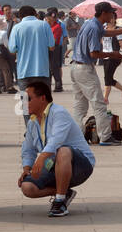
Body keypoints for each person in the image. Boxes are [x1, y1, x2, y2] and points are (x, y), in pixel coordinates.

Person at [18, 80, 96, 217]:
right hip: (53, 166)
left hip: (80, 166)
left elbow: (55, 141)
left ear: (42, 98)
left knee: (63, 150)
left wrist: (41, 158)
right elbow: (28, 149)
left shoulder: (59, 113)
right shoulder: (32, 122)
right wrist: (26, 169)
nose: (25, 103)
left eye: (28, 99)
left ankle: (60, 202)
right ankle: (64, 192)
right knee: (27, 188)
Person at [69, 1, 122, 146]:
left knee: (79, 106)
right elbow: (94, 53)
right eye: (111, 12)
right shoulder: (93, 27)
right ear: (104, 13)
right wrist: (112, 54)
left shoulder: (90, 23)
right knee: (99, 103)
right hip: (85, 69)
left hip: (75, 67)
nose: (113, 15)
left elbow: (105, 32)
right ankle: (105, 136)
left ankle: (76, 136)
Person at [8, 5, 56, 93]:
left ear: (20, 16)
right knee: (44, 102)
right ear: (35, 14)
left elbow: (12, 50)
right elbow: (52, 47)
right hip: (42, 70)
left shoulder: (16, 28)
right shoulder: (44, 25)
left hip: (24, 71)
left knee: (26, 103)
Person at [45, 9, 66, 92]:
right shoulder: (48, 27)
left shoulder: (57, 27)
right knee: (49, 67)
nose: (47, 20)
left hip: (54, 48)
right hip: (49, 48)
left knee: (54, 67)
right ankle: (48, 84)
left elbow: (54, 40)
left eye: (48, 18)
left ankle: (58, 85)